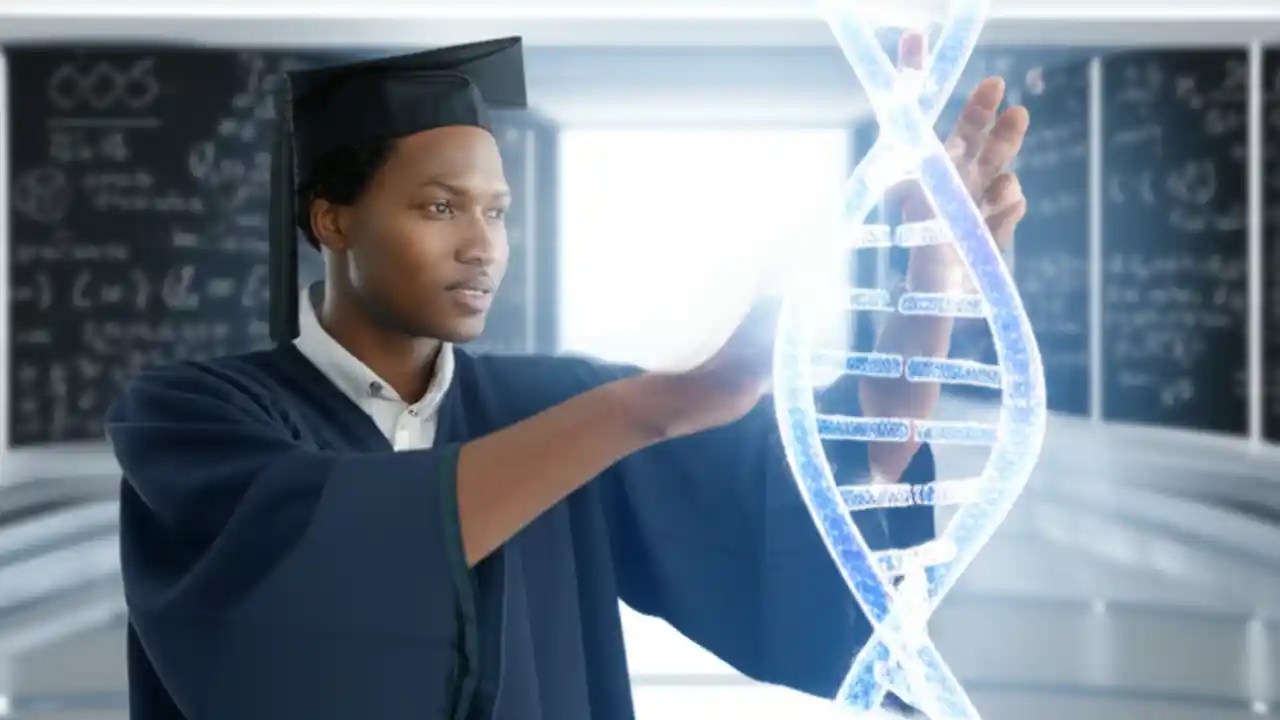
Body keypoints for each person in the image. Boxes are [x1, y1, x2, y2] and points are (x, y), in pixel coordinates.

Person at [105, 34, 1029, 720]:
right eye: (439, 207)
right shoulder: (189, 417)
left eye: (497, 212)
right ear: (332, 221)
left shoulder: (547, 409)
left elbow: (819, 496)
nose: (482, 247)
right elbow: (308, 575)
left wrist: (930, 285)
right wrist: (651, 406)